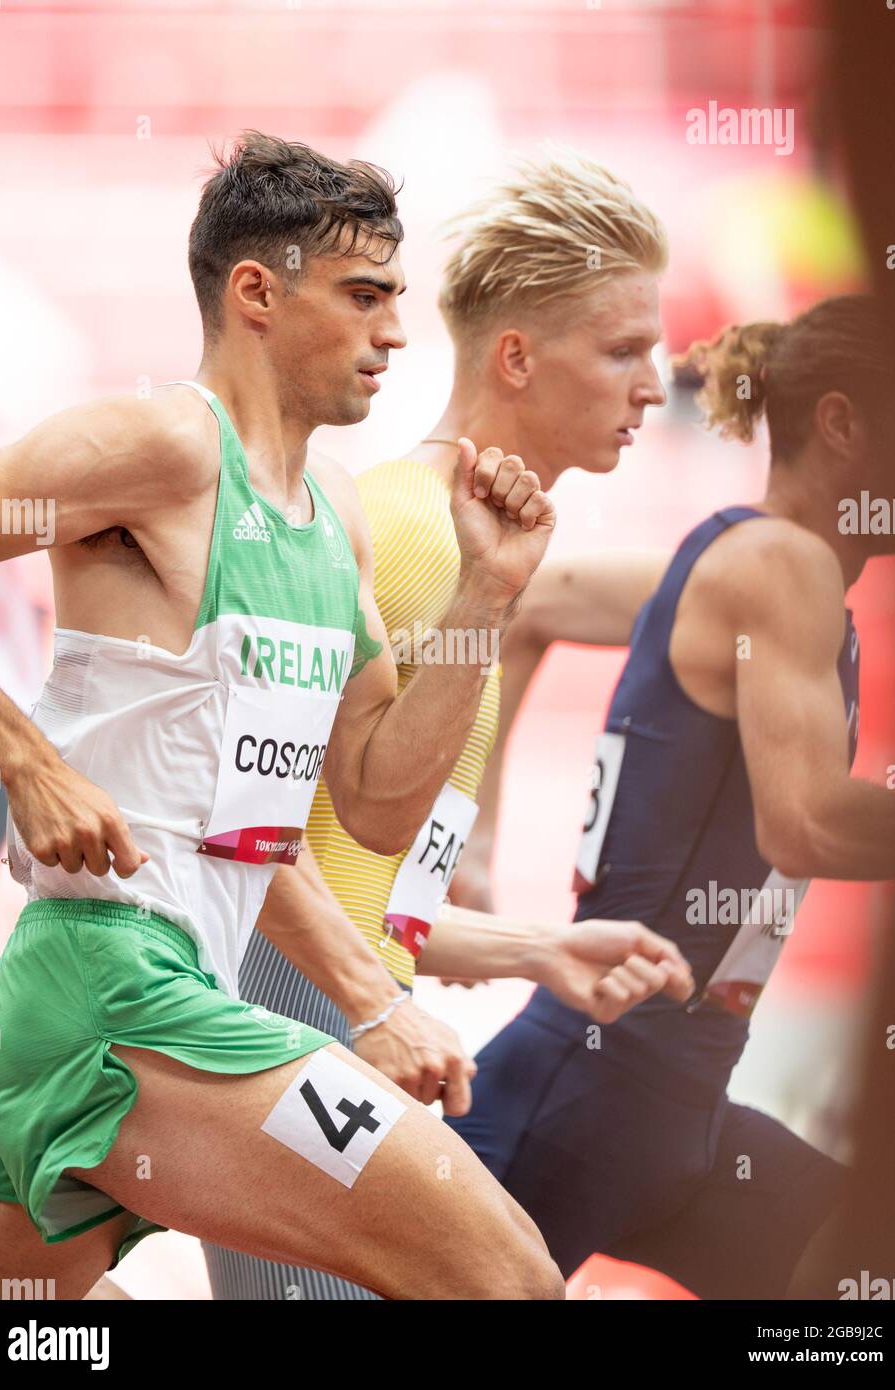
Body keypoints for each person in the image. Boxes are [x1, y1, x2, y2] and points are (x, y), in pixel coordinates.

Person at [0, 132, 567, 1301]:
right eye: (364, 297)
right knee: (507, 1278)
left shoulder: (331, 516)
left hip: (158, 988)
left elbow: (377, 806)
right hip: (107, 987)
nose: (396, 333)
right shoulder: (162, 446)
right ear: (256, 292)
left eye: (398, 299)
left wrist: (488, 591)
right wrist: (25, 761)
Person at [204, 148, 694, 1300]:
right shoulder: (404, 533)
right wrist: (356, 1013)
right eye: (625, 349)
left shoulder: (465, 547)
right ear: (517, 356)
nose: (652, 384)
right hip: (287, 1016)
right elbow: (254, 845)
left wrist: (534, 951)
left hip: (339, 1008)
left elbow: (364, 879)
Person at [447, 295, 895, 1298]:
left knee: (881, 1277)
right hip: (592, 1092)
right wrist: (462, 828)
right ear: (841, 424)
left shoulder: (739, 569)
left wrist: (475, 831)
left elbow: (532, 600)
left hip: (671, 1105)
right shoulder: (778, 565)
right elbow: (807, 817)